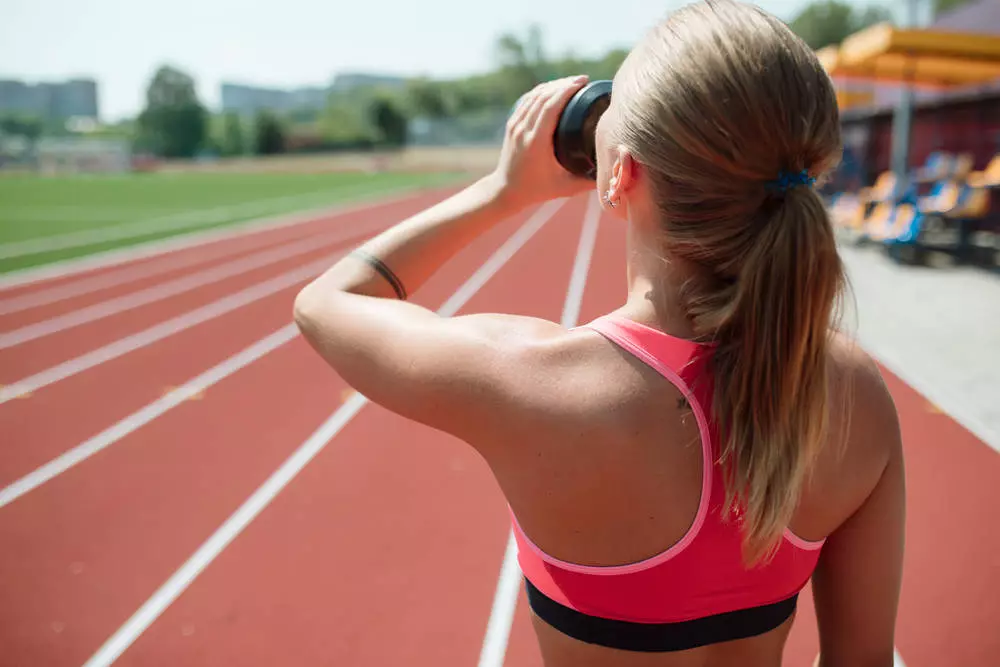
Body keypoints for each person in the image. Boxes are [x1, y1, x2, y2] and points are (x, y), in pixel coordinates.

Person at [293, 1, 905, 665]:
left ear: (620, 173)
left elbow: (326, 300)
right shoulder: (855, 395)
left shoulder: (534, 381)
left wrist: (501, 192)